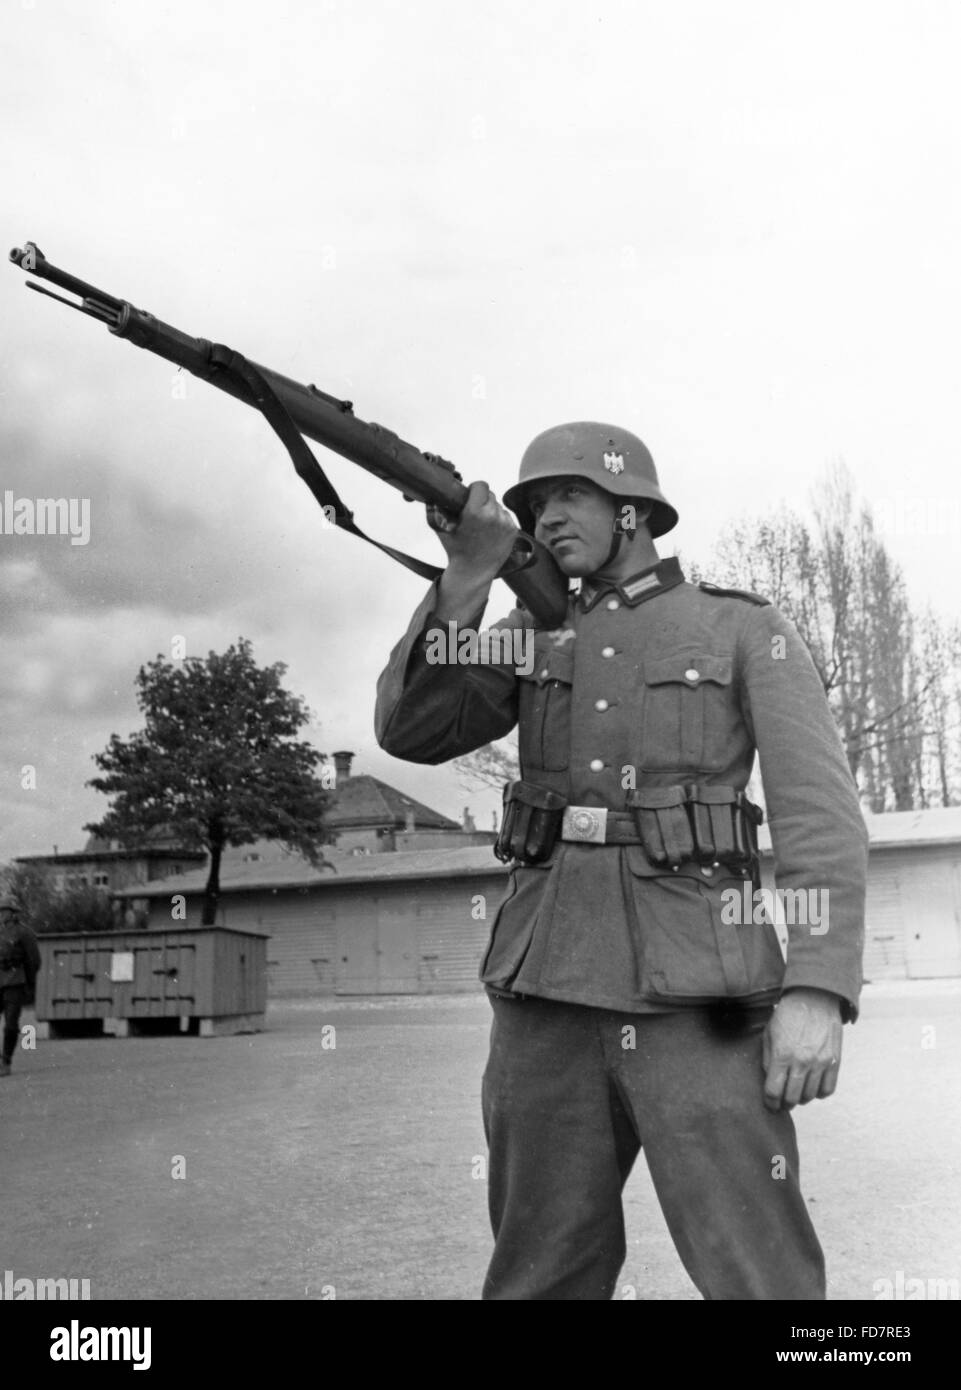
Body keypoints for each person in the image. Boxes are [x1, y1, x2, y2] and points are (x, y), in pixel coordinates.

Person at [375, 421, 868, 1300]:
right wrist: (462, 579)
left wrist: (817, 988)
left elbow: (818, 820)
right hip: (545, 996)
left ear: (632, 510)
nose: (547, 516)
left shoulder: (740, 626)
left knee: (759, 1274)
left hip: (703, 998)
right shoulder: (528, 633)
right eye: (534, 504)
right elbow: (414, 730)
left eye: (570, 496)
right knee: (538, 1273)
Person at [0, 895, 42, 1077]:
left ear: (12, 913)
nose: (1, 915)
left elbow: (34, 960)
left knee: (10, 1025)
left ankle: (6, 1060)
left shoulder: (24, 933)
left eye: (4, 911)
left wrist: (29, 983)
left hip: (15, 982)